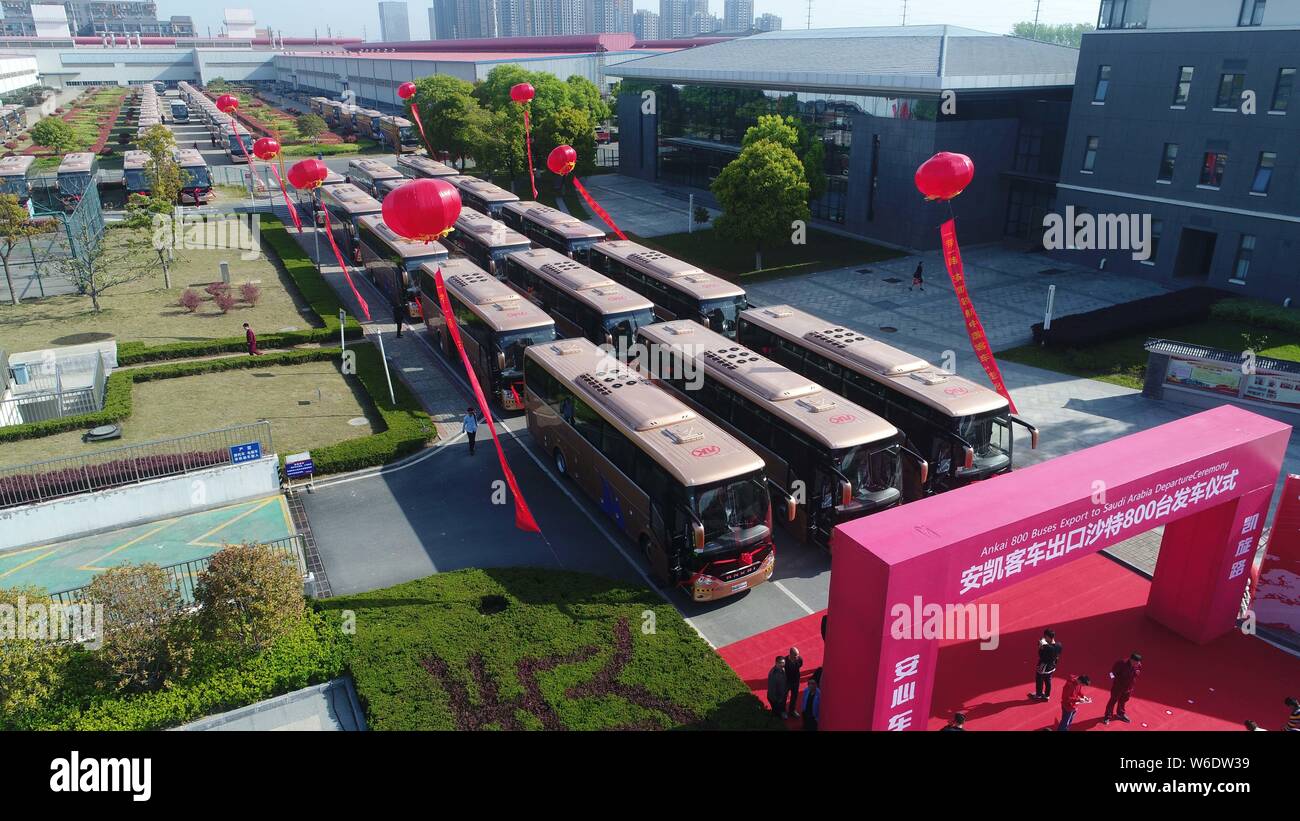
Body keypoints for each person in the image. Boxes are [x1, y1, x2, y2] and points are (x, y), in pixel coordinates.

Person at [1102, 653, 1142, 725]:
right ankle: (1107, 716)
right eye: (1136, 663)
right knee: (1112, 701)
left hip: (1129, 687)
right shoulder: (1121, 663)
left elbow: (1137, 674)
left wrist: (1136, 674)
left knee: (1123, 701)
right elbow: (1111, 673)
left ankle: (1120, 714)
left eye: (1138, 663)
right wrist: (1115, 681)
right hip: (1118, 687)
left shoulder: (1138, 665)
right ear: (1131, 660)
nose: (1138, 664)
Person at [1030, 628, 1062, 701]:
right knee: (1048, 680)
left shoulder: (1046, 648)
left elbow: (1041, 656)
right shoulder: (1059, 645)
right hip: (1052, 665)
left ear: (1047, 637)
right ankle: (1047, 695)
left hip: (1044, 666)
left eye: (1045, 637)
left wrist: (1041, 648)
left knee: (1039, 679)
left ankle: (1038, 694)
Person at [785, 646, 804, 718]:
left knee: (794, 696)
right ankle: (783, 711)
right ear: (791, 654)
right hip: (787, 682)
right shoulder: (785, 661)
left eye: (798, 655)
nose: (797, 657)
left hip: (796, 681)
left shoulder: (799, 659)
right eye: (796, 655)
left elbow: (800, 665)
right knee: (784, 697)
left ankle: (792, 710)